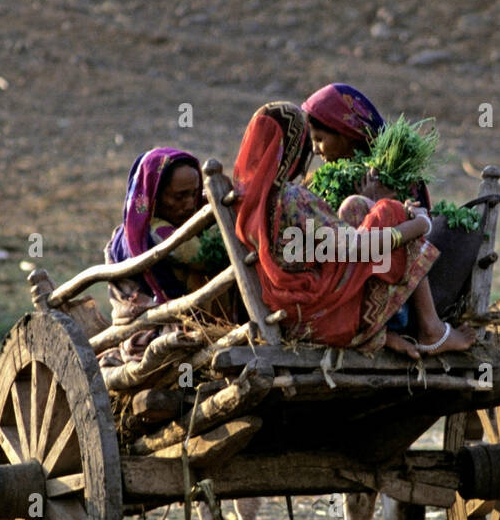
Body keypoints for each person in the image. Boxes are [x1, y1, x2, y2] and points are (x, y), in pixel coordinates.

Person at [232, 101, 474, 358]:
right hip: (319, 309)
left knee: (355, 206)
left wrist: (365, 199)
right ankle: (432, 329)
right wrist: (416, 224)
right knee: (390, 213)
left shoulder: (249, 200)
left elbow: (326, 241)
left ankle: (388, 332)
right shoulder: (290, 199)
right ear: (293, 147)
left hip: (293, 308)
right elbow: (358, 247)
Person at [103, 147, 210, 329]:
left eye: (194, 193)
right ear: (154, 195)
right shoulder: (152, 232)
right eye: (179, 197)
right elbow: (203, 256)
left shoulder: (183, 222)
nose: (191, 204)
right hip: (157, 327)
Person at [301, 82, 431, 207]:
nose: (315, 150)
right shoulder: (323, 183)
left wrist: (366, 206)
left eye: (319, 140)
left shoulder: (390, 181)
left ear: (346, 133)